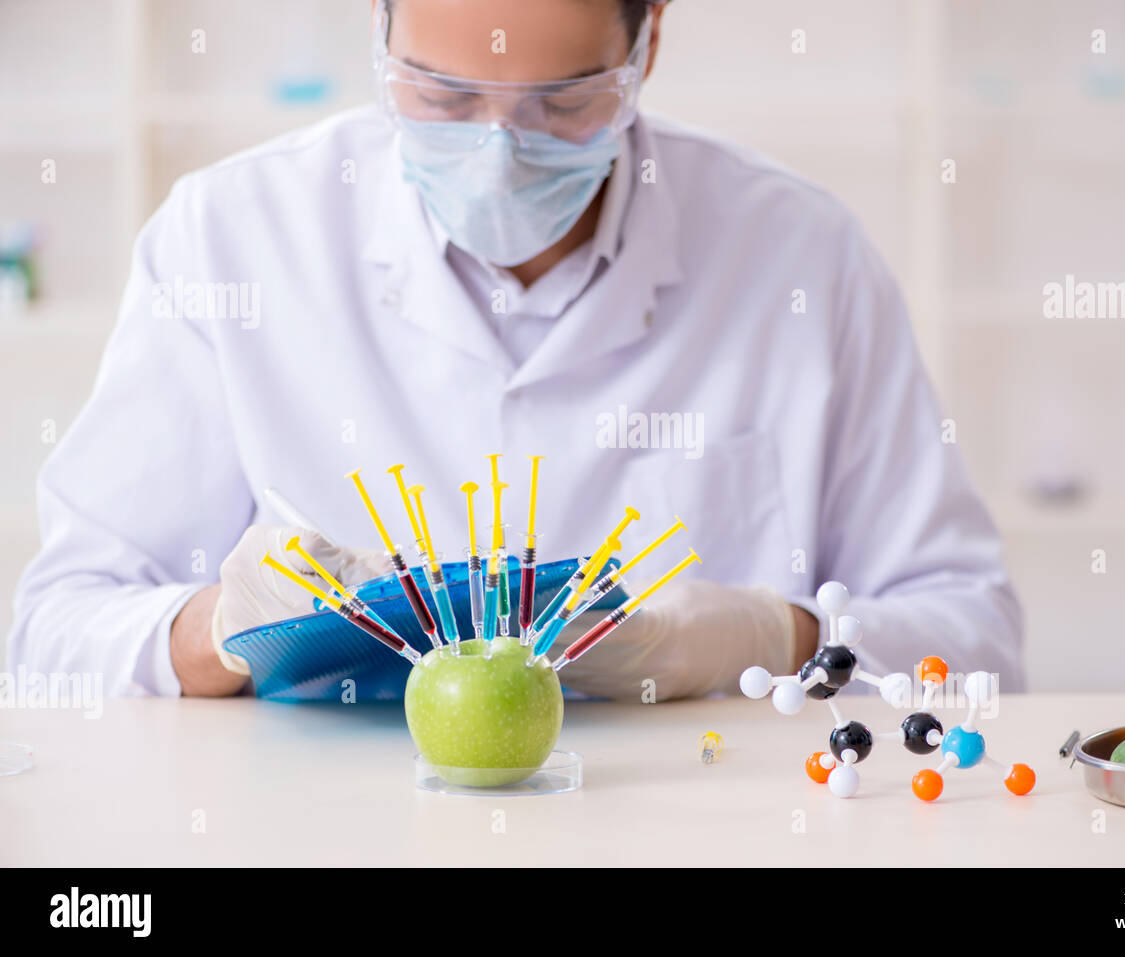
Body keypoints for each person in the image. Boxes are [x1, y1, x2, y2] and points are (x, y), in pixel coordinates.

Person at [9, 0, 1024, 700]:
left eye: (563, 104)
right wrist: (216, 630)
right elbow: (50, 637)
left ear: (648, 43)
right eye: (444, 98)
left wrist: (768, 637)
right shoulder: (229, 236)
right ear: (378, 27)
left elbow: (973, 636)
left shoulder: (801, 254)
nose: (499, 154)